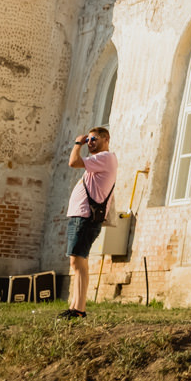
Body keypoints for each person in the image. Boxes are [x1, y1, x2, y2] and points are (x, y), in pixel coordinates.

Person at [59, 126, 116, 320]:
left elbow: (73, 162)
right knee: (76, 261)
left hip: (86, 217)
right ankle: (74, 306)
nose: (89, 143)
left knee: (78, 262)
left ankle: (79, 309)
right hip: (80, 216)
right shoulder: (98, 162)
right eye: (88, 140)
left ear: (105, 139)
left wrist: (78, 143)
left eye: (93, 139)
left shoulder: (106, 157)